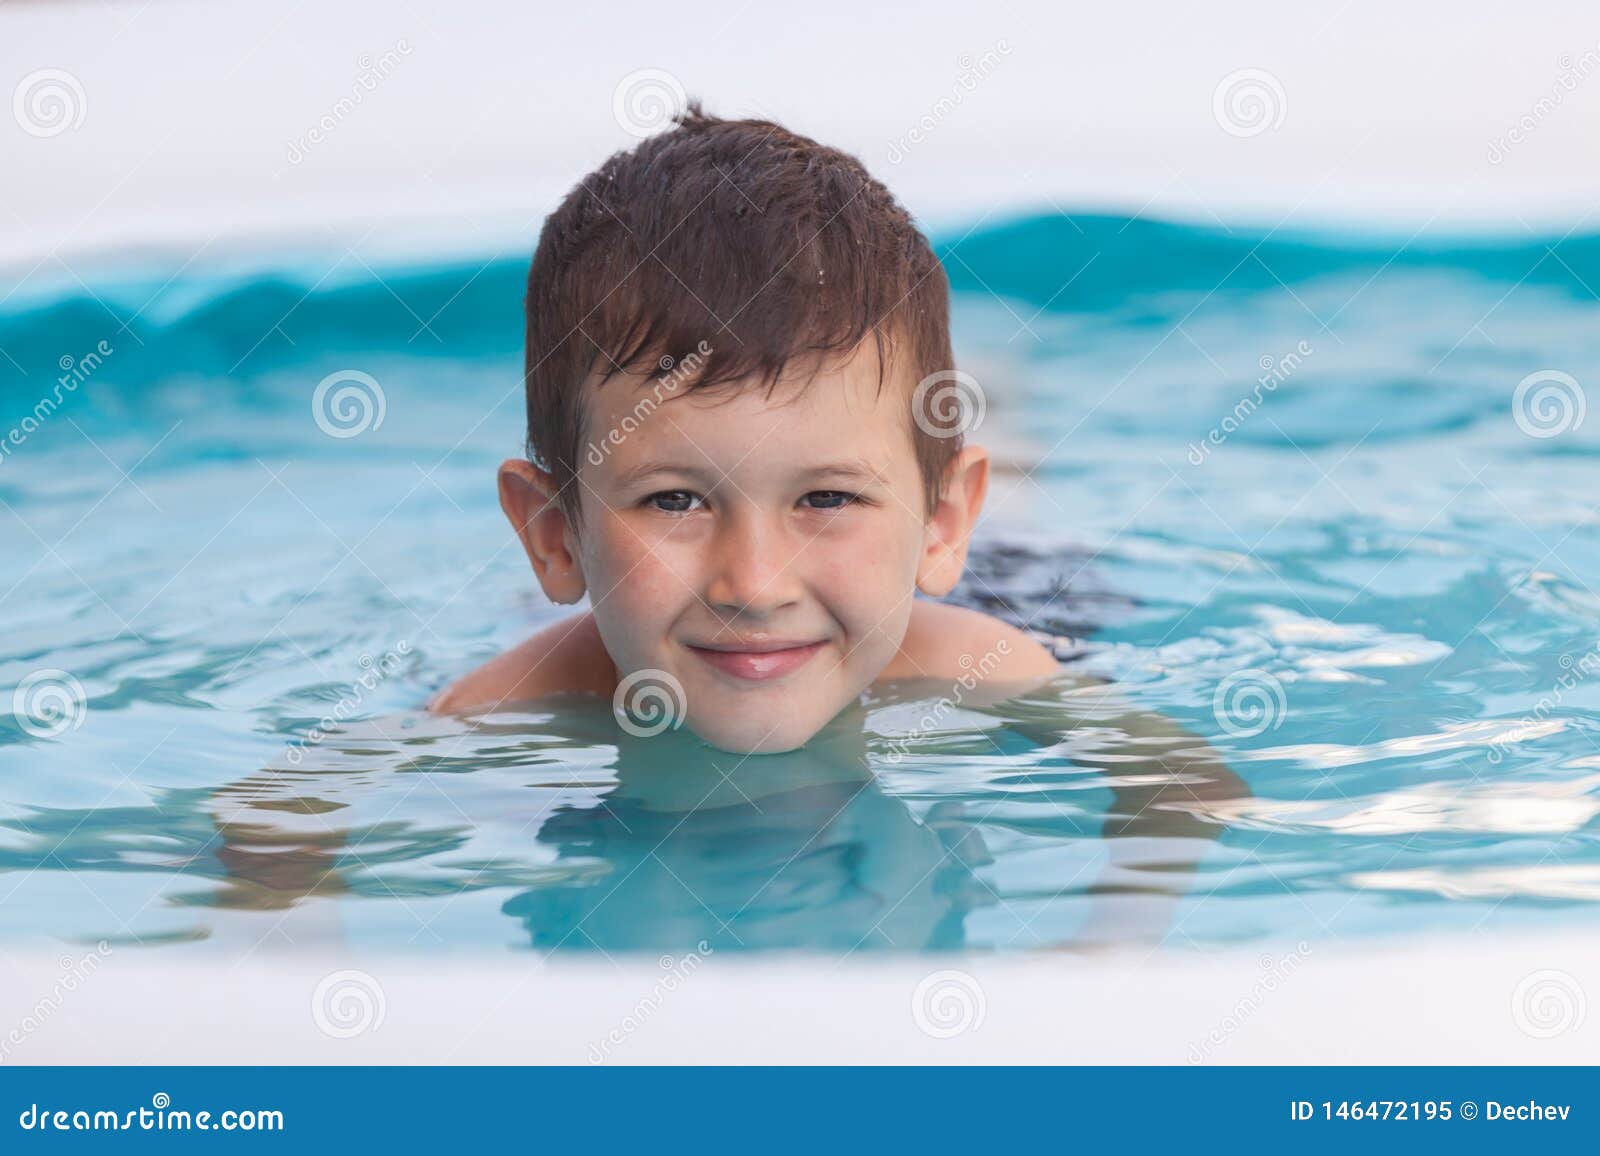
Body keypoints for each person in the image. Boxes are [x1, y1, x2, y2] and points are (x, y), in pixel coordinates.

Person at [431, 104, 1060, 753]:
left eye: (827, 496)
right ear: (554, 536)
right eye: (674, 500)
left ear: (945, 524)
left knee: (1005, 520)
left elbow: (1168, 790)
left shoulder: (992, 674)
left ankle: (980, 403)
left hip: (1011, 582)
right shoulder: (493, 718)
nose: (756, 588)